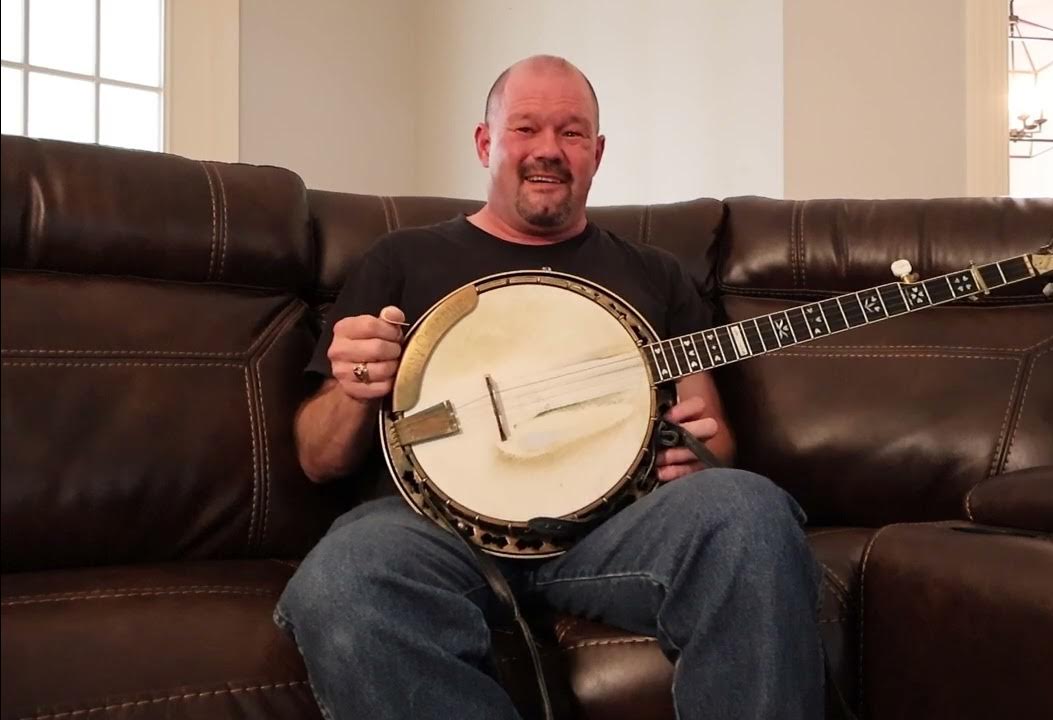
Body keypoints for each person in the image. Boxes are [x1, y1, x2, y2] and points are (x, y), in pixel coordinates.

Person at [275, 55, 823, 720]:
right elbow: (317, 458)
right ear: (486, 143)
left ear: (597, 153)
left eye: (571, 133)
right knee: (343, 580)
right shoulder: (402, 260)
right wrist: (355, 390)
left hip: (611, 530)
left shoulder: (655, 275)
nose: (548, 150)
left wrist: (704, 454)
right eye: (525, 128)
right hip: (430, 531)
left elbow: (715, 436)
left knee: (747, 510)